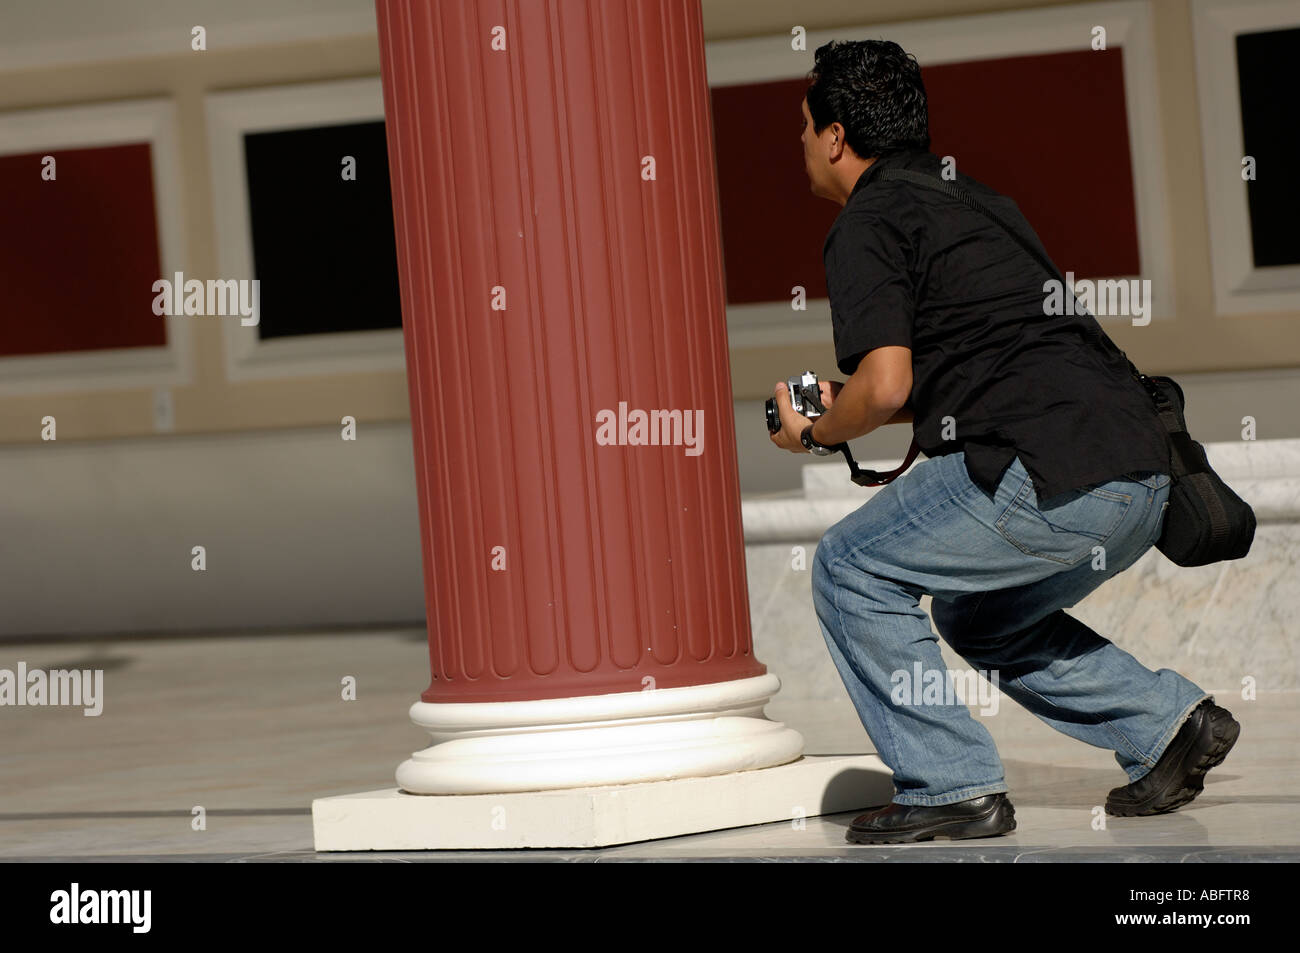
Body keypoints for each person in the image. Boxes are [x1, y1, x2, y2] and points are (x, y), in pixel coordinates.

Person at [768, 38, 1240, 844]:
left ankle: (949, 785)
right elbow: (939, 374)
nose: (801, 144)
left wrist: (816, 429)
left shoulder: (867, 220)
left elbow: (885, 385)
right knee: (980, 620)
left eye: (806, 127)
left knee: (849, 568)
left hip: (1042, 471)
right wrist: (853, 410)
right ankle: (1166, 726)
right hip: (1141, 475)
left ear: (839, 136)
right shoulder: (978, 201)